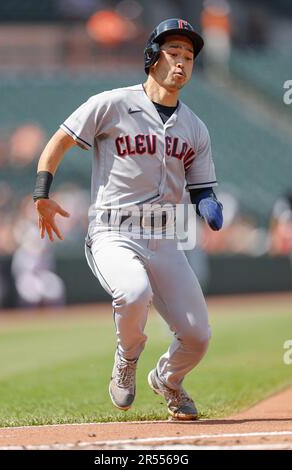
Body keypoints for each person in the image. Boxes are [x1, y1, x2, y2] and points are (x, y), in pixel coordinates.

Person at [33, 18, 223, 420]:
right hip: (112, 232)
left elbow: (201, 185)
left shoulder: (195, 127)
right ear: (152, 57)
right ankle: (127, 357)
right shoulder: (112, 103)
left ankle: (168, 380)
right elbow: (60, 140)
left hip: (166, 239)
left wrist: (207, 202)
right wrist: (41, 192)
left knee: (197, 337)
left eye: (188, 56)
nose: (181, 63)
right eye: (173, 53)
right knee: (133, 292)